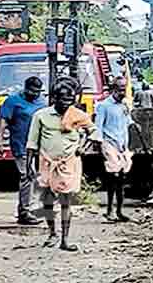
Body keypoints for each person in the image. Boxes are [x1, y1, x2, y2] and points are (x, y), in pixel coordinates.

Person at [27, 77, 95, 252]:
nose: (67, 104)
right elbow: (32, 143)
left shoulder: (77, 115)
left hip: (69, 163)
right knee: (48, 201)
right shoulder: (40, 116)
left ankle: (65, 239)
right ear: (54, 99)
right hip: (46, 163)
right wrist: (29, 165)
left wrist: (83, 147)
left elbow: (93, 132)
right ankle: (52, 233)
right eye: (63, 99)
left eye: (70, 100)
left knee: (66, 201)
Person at [0, 76, 47, 225]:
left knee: (36, 177)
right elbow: (3, 121)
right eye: (32, 91)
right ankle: (26, 211)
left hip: (39, 146)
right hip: (21, 145)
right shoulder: (12, 101)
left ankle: (26, 209)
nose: (35, 94)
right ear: (25, 89)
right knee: (27, 176)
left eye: (37, 92)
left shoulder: (42, 102)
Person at [95, 76, 133, 223]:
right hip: (109, 144)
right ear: (114, 89)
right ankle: (110, 210)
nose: (123, 92)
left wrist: (134, 124)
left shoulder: (124, 106)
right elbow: (98, 127)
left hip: (122, 146)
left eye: (124, 89)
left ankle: (119, 211)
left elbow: (127, 122)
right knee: (113, 178)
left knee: (122, 180)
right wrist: (100, 146)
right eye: (121, 89)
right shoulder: (104, 106)